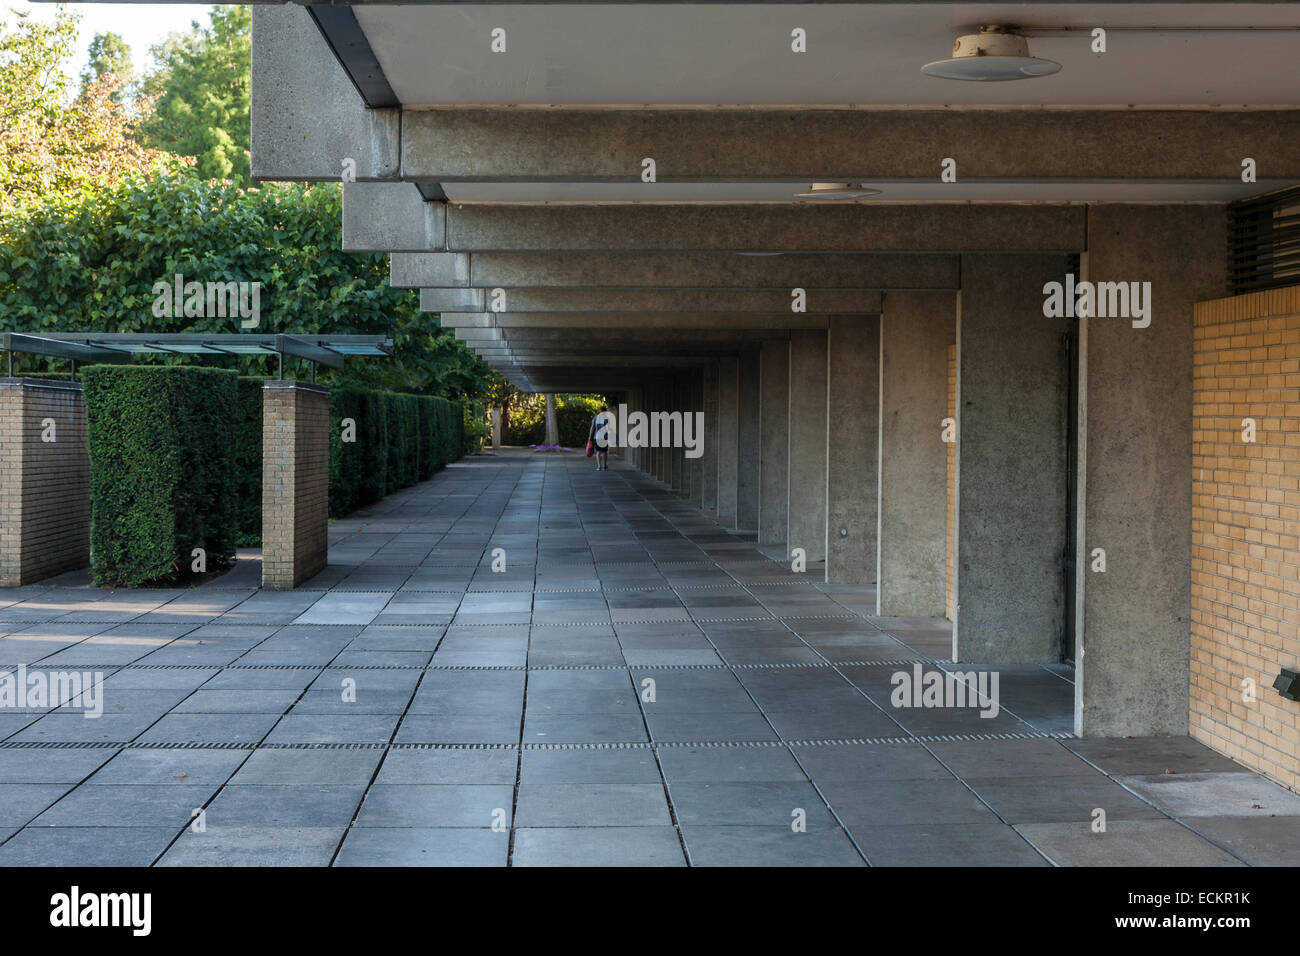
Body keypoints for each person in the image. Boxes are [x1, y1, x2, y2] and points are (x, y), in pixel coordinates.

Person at [588, 406, 613, 471]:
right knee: (604, 451)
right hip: (604, 437)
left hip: (597, 437)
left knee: (598, 452)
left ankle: (599, 466)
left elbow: (592, 428)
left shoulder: (595, 418)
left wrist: (590, 437)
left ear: (600, 411)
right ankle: (604, 466)